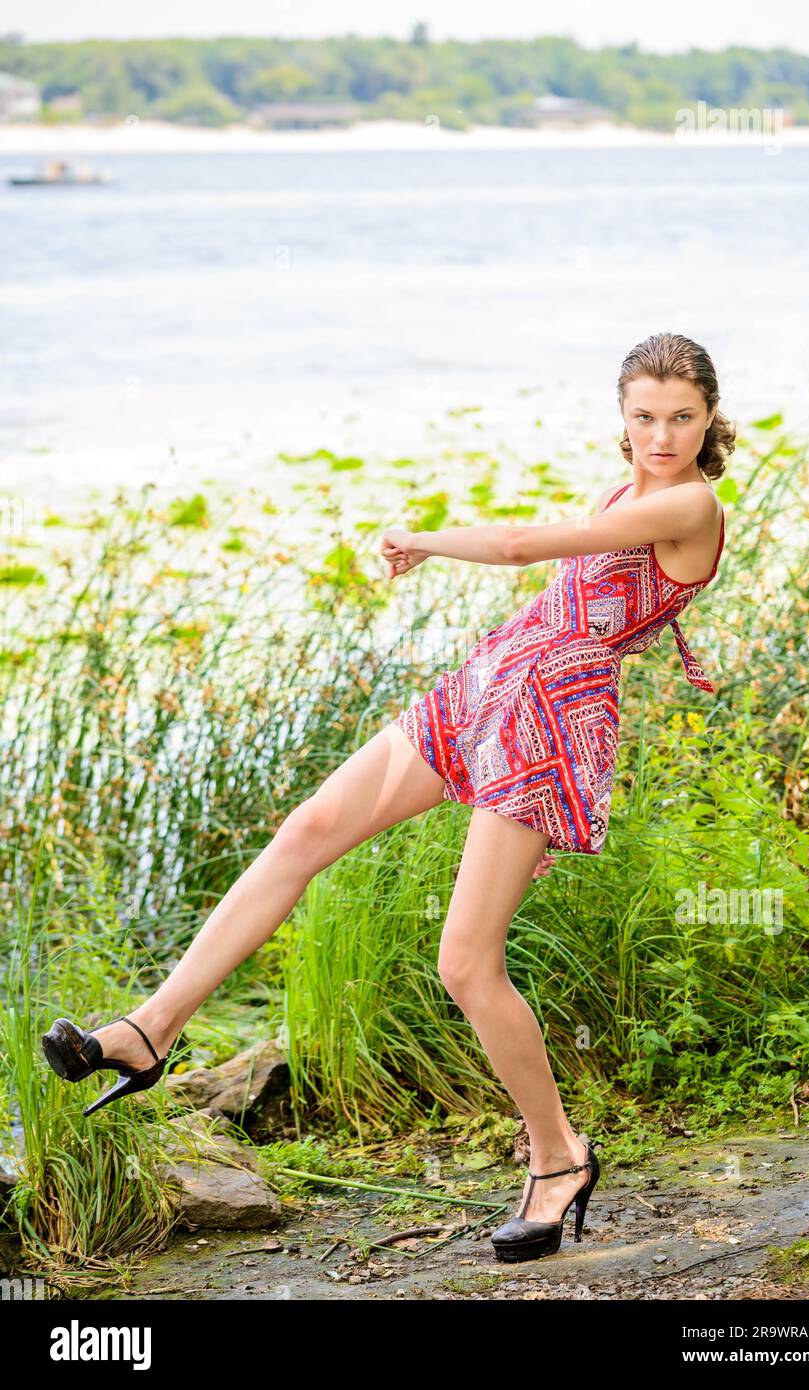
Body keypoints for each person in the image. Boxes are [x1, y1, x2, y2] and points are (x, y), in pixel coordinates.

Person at [42, 331, 734, 1263]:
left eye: (680, 417)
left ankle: (559, 1155)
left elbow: (525, 544)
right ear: (620, 416)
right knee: (307, 829)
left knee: (465, 963)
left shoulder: (691, 502)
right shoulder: (634, 486)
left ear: (707, 417)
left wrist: (422, 539)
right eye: (644, 416)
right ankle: (148, 1029)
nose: (661, 434)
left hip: (551, 713)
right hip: (488, 681)